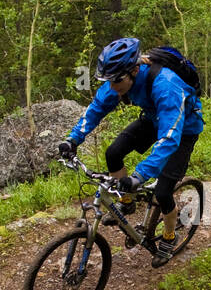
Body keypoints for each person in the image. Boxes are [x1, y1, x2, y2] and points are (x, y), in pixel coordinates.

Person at [58, 37, 203, 267]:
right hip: (153, 119)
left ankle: (168, 237)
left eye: (116, 81)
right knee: (113, 153)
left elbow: (170, 137)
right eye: (108, 80)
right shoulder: (119, 80)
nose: (112, 87)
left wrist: (139, 175)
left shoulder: (166, 85)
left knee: (163, 192)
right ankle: (127, 202)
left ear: (135, 70)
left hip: (182, 131)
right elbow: (96, 109)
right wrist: (72, 140)